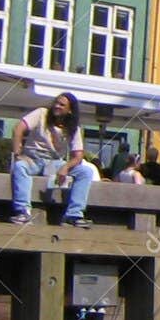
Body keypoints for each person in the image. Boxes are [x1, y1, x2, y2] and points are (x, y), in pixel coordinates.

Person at [9, 92, 97, 227]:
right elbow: (18, 128)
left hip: (54, 162)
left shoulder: (73, 127)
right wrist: (17, 153)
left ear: (70, 110)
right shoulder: (41, 114)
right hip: (32, 158)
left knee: (86, 172)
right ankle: (23, 212)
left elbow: (78, 155)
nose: (57, 106)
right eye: (56, 102)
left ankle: (73, 215)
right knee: (20, 166)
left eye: (62, 105)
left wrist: (65, 167)